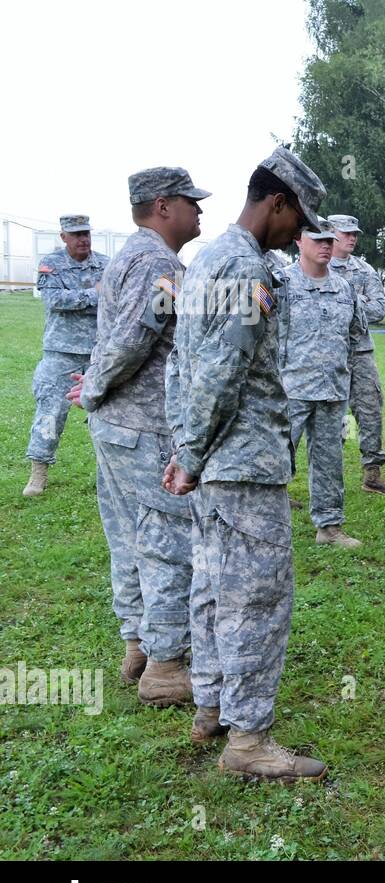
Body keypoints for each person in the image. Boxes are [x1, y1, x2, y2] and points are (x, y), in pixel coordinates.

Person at [165, 146, 329, 780]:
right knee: (256, 599)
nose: (301, 232)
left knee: (211, 586)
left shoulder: (208, 260)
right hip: (241, 461)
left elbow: (186, 366)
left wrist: (185, 451)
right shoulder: (245, 270)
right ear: (277, 202)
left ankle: (210, 707)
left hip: (211, 462)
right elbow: (219, 371)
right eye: (299, 217)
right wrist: (192, 453)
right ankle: (249, 739)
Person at [68, 168, 208, 701]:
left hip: (118, 426)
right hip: (146, 427)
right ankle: (166, 668)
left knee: (127, 535)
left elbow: (117, 339)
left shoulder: (130, 254)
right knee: (167, 542)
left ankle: (138, 644)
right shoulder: (157, 263)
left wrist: (96, 389)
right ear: (162, 206)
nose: (199, 211)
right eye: (190, 202)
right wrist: (96, 387)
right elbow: (130, 340)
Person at [279, 222, 366, 549]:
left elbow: (357, 336)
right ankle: (269, 524)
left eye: (330, 240)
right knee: (276, 459)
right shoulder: (280, 284)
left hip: (332, 391)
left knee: (329, 461)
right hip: (289, 390)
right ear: (298, 241)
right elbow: (257, 337)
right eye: (318, 239)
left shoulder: (344, 288)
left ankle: (329, 528)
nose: (326, 246)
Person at [24, 215, 109, 496]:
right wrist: (94, 296)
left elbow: (115, 301)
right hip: (61, 352)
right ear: (63, 237)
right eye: (76, 234)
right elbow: (55, 301)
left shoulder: (107, 265)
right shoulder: (52, 264)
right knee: (50, 411)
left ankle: (110, 475)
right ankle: (38, 474)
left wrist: (81, 297)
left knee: (108, 414)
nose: (83, 239)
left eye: (86, 233)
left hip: (100, 353)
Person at [327, 214, 385, 494]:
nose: (352, 238)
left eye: (355, 233)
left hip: (361, 352)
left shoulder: (365, 271)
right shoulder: (316, 267)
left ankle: (372, 474)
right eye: (346, 233)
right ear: (330, 234)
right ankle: (330, 474)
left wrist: (344, 302)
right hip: (329, 353)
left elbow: (379, 310)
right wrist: (357, 302)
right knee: (335, 414)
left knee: (369, 410)